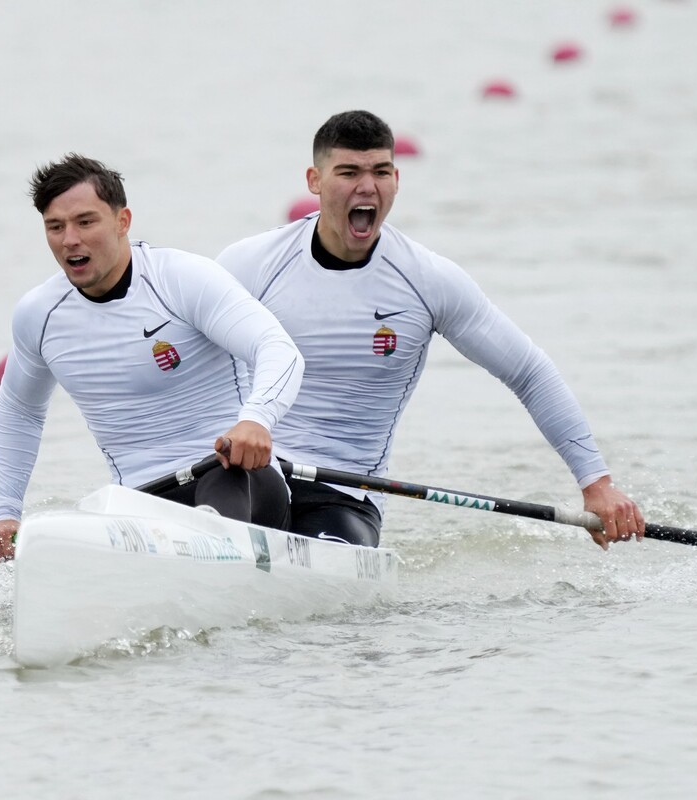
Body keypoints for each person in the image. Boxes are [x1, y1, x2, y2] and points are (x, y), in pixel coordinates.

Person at [216, 110, 644, 550]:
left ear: (397, 180)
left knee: (327, 564)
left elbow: (529, 373)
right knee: (213, 507)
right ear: (314, 180)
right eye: (348, 172)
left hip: (344, 495)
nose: (367, 186)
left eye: (380, 172)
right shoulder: (250, 264)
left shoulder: (427, 280)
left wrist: (596, 482)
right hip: (251, 474)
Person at [0, 154, 304, 561]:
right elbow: (21, 411)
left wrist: (256, 418)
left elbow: (277, 348)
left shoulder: (181, 280)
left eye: (85, 221)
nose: (69, 240)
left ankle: (215, 557)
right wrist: (5, 512)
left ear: (122, 221)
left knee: (224, 479)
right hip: (140, 506)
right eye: (55, 227)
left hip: (236, 479)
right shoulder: (39, 315)